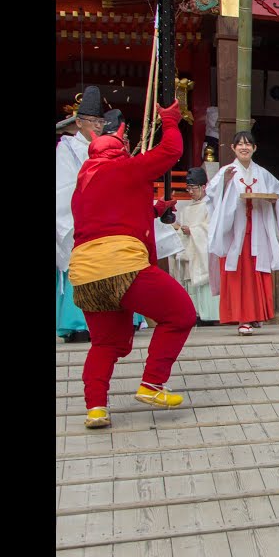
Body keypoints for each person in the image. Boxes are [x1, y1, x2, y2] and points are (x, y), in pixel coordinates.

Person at [69, 102, 197, 428]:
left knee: (105, 343)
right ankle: (152, 383)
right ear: (120, 149)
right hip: (121, 265)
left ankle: (95, 407)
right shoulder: (124, 167)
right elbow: (171, 150)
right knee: (180, 314)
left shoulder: (84, 181)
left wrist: (155, 210)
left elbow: (113, 215)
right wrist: (170, 120)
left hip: (85, 273)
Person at [207, 131, 279, 336]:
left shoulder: (262, 173)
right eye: (240, 144)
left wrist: (273, 201)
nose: (244, 147)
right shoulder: (226, 171)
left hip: (257, 230)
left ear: (255, 148)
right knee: (239, 274)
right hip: (235, 232)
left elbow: (278, 192)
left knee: (256, 273)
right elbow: (211, 196)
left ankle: (255, 315)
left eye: (248, 144)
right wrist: (225, 183)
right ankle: (242, 318)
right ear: (233, 148)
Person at [57, 86, 108, 344]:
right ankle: (77, 323)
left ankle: (103, 321)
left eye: (101, 121)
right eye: (93, 121)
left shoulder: (107, 149)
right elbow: (62, 186)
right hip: (79, 217)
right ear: (78, 123)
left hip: (103, 219)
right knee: (80, 270)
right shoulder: (66, 149)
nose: (98, 127)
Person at [169, 167, 220, 325]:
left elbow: (211, 228)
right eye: (188, 188)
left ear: (204, 187)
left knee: (204, 284)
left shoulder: (210, 205)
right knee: (190, 283)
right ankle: (195, 313)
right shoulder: (187, 209)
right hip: (190, 252)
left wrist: (193, 230)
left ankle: (210, 315)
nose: (190, 192)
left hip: (204, 252)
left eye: (194, 188)